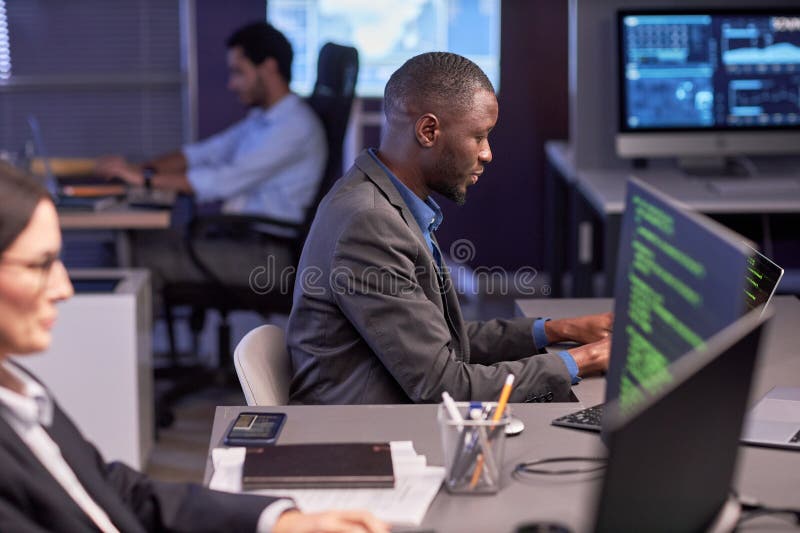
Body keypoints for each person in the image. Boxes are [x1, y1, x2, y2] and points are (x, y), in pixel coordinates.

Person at [0, 167, 387, 533]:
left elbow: (112, 489)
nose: (64, 288)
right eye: (40, 265)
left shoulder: (19, 388)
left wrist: (277, 521)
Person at [287, 52, 612, 405]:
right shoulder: (370, 224)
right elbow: (445, 385)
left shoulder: (383, 198)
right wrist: (586, 359)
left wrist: (558, 330)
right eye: (479, 136)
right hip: (364, 433)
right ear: (428, 131)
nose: (487, 153)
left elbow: (440, 338)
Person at [94, 21, 327, 292]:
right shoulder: (263, 118)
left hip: (266, 257)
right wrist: (140, 168)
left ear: (269, 68)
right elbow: (204, 153)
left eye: (238, 72)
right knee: (128, 247)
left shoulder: (294, 126)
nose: (231, 84)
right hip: (240, 239)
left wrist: (144, 179)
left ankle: (134, 336)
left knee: (134, 260)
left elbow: (223, 181)